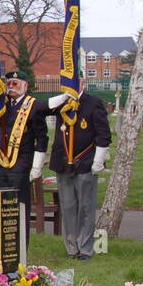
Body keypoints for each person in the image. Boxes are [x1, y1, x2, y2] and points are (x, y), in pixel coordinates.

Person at [46, 89, 112, 260]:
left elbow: (103, 134)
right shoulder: (62, 102)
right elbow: (44, 108)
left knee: (85, 207)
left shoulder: (93, 103)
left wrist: (98, 160)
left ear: (81, 82)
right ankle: (71, 247)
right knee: (67, 207)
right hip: (62, 161)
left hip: (85, 161)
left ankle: (85, 248)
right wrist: (64, 97)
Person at [0, 70, 49, 229]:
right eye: (9, 83)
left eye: (15, 83)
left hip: (21, 162)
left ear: (25, 85)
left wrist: (37, 166)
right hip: (2, 163)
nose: (11, 86)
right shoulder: (2, 105)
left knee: (19, 206)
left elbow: (42, 138)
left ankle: (20, 245)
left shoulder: (33, 106)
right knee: (2, 205)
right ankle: (5, 242)